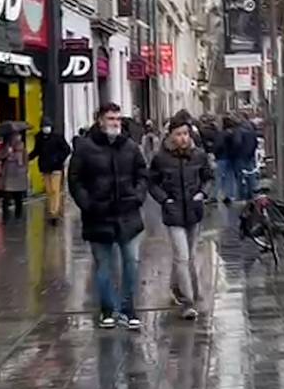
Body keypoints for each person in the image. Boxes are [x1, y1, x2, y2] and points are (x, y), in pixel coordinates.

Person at [69, 103, 149, 330]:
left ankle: (127, 307)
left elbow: (142, 174)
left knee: (131, 262)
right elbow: (75, 180)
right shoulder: (85, 148)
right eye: (110, 119)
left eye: (117, 119)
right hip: (99, 216)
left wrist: (137, 196)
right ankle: (107, 309)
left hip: (128, 215)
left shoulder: (130, 147)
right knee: (104, 265)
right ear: (100, 120)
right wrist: (88, 204)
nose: (115, 123)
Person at [148, 117, 213, 320]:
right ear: (170, 136)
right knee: (182, 257)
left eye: (185, 133)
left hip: (194, 211)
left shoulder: (198, 155)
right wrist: (164, 199)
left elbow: (208, 177)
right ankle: (188, 301)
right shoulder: (161, 159)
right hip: (173, 212)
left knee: (189, 256)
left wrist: (203, 193)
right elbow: (152, 183)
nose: (183, 138)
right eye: (178, 134)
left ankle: (176, 287)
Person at [30, 119, 72, 223]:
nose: (46, 128)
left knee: (55, 190)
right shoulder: (39, 138)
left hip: (56, 167)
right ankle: (51, 210)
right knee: (49, 191)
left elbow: (67, 149)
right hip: (45, 167)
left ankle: (54, 212)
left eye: (47, 126)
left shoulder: (57, 138)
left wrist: (59, 159)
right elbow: (37, 150)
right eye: (44, 126)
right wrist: (28, 157)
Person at [0, 130, 30, 221]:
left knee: (18, 198)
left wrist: (25, 170)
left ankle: (18, 216)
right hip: (8, 175)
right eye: (15, 136)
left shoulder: (22, 148)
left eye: (18, 136)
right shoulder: (5, 147)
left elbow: (26, 160)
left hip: (19, 175)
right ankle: (6, 217)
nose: (17, 138)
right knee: (6, 198)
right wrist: (7, 152)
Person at [230, 114, 260, 201]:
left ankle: (241, 196)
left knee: (240, 177)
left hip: (240, 156)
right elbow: (255, 142)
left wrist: (234, 153)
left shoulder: (238, 130)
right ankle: (252, 194)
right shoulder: (251, 129)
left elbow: (237, 143)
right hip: (250, 156)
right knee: (251, 175)